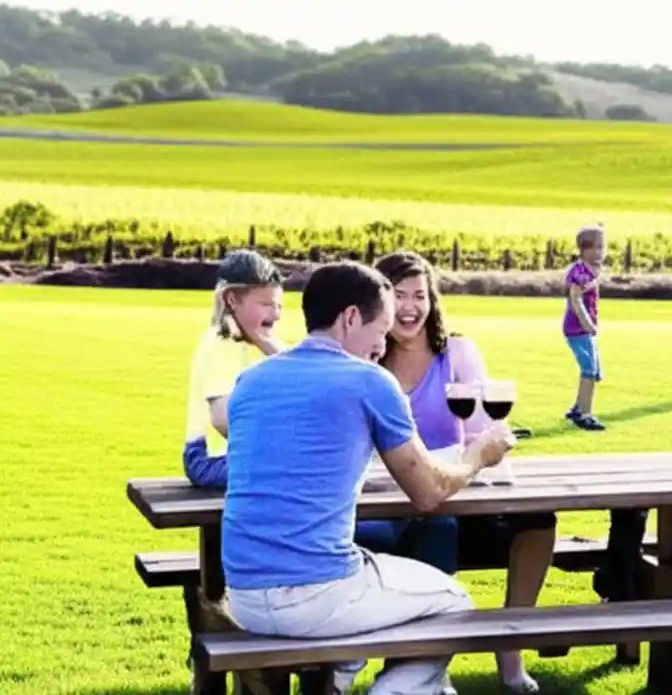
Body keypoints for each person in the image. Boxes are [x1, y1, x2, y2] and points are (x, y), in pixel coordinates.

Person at [221, 261, 515, 695]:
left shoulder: (250, 381)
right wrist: (478, 456)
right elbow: (428, 492)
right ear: (350, 318)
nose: (381, 345)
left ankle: (335, 684)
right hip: (315, 593)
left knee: (371, 585)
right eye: (380, 330)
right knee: (453, 602)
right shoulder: (369, 381)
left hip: (243, 593)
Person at [359, 251, 553, 694]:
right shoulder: (367, 358)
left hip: (454, 489)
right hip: (386, 498)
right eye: (399, 295)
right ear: (379, 301)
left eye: (420, 295)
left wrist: (489, 447)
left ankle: (510, 645)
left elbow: (483, 434)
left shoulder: (456, 353)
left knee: (538, 520)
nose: (410, 307)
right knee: (433, 527)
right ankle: (424, 665)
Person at [181, 249, 285, 489]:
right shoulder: (221, 344)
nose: (276, 314)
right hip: (211, 457)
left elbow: (306, 376)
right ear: (232, 300)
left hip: (241, 454)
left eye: (279, 306)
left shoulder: (260, 342)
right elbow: (223, 420)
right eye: (266, 304)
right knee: (299, 470)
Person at [563, 224, 607, 430]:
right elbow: (575, 299)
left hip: (586, 329)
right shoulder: (579, 272)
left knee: (595, 371)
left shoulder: (592, 270)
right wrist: (586, 321)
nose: (598, 252)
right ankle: (585, 414)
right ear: (583, 249)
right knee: (589, 369)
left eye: (601, 247)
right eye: (594, 247)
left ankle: (577, 408)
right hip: (577, 329)